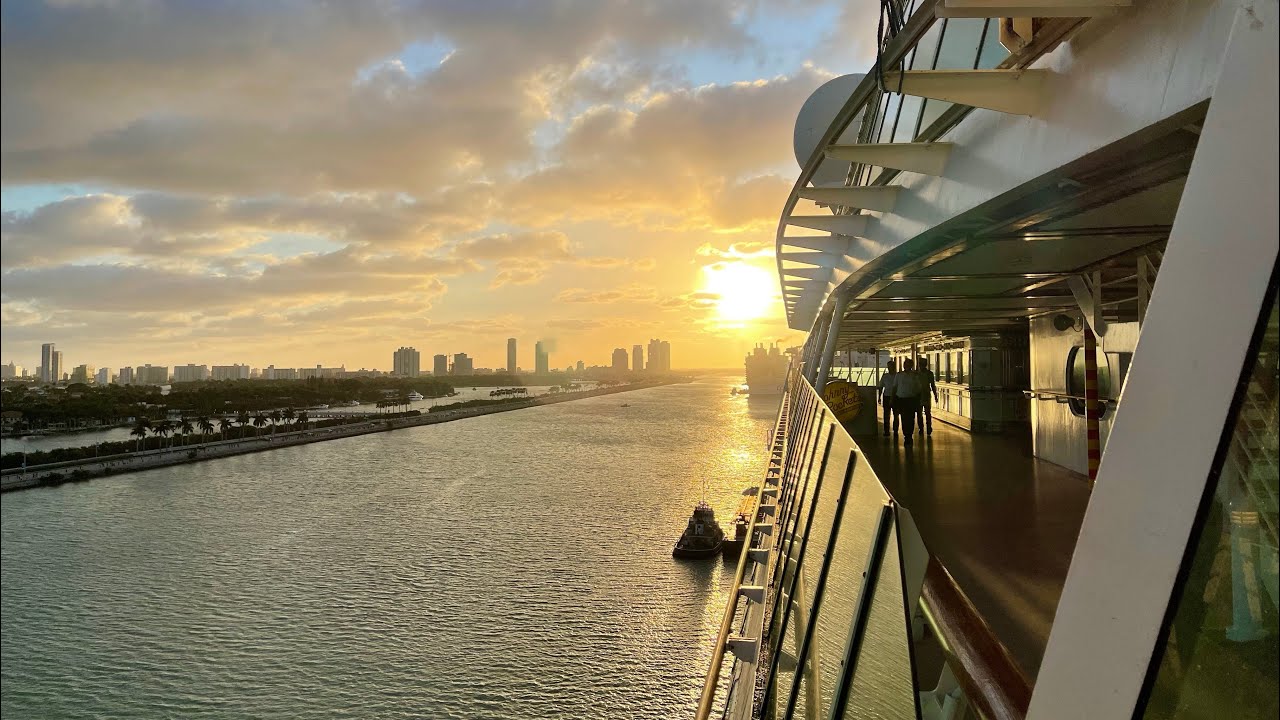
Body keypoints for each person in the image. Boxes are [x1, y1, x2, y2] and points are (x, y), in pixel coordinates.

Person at [894, 358, 923, 446]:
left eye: (907, 364)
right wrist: (893, 399)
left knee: (911, 418)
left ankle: (909, 435)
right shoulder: (899, 375)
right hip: (901, 399)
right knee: (904, 418)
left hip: (911, 399)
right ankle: (906, 435)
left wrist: (919, 400)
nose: (905, 366)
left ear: (911, 366)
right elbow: (895, 387)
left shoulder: (915, 375)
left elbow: (919, 388)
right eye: (904, 364)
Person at [917, 357, 939, 436]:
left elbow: (932, 385)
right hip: (919, 395)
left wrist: (935, 395)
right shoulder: (917, 373)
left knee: (927, 413)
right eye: (920, 364)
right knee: (920, 413)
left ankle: (928, 427)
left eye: (922, 364)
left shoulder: (929, 374)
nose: (921, 366)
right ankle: (921, 428)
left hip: (925, 395)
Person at [878, 359, 898, 437]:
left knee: (895, 414)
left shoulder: (897, 376)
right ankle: (886, 431)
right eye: (888, 367)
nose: (889, 368)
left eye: (891, 367)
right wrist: (879, 397)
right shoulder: (885, 376)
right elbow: (881, 387)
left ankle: (895, 430)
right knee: (886, 414)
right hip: (886, 396)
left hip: (896, 397)